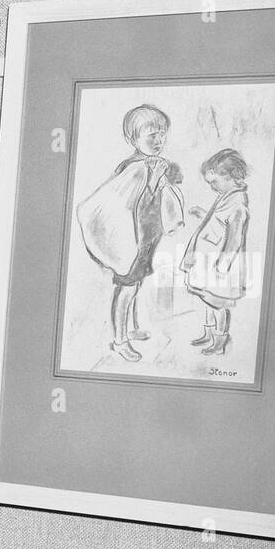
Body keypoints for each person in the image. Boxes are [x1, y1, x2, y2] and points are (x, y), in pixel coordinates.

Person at [76, 103, 185, 362]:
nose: (159, 140)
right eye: (151, 135)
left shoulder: (153, 163)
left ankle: (133, 328)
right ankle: (120, 340)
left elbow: (162, 194)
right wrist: (155, 179)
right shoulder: (136, 167)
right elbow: (132, 200)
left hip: (146, 239)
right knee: (127, 288)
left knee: (136, 285)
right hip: (131, 242)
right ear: (133, 139)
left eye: (162, 134)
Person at [180, 148, 251, 356]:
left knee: (218, 304)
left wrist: (223, 265)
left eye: (214, 181)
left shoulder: (238, 204)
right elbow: (216, 222)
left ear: (231, 177)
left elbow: (235, 238)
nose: (211, 186)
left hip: (220, 266)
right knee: (207, 298)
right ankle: (208, 333)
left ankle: (219, 341)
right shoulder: (225, 196)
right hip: (208, 262)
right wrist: (202, 213)